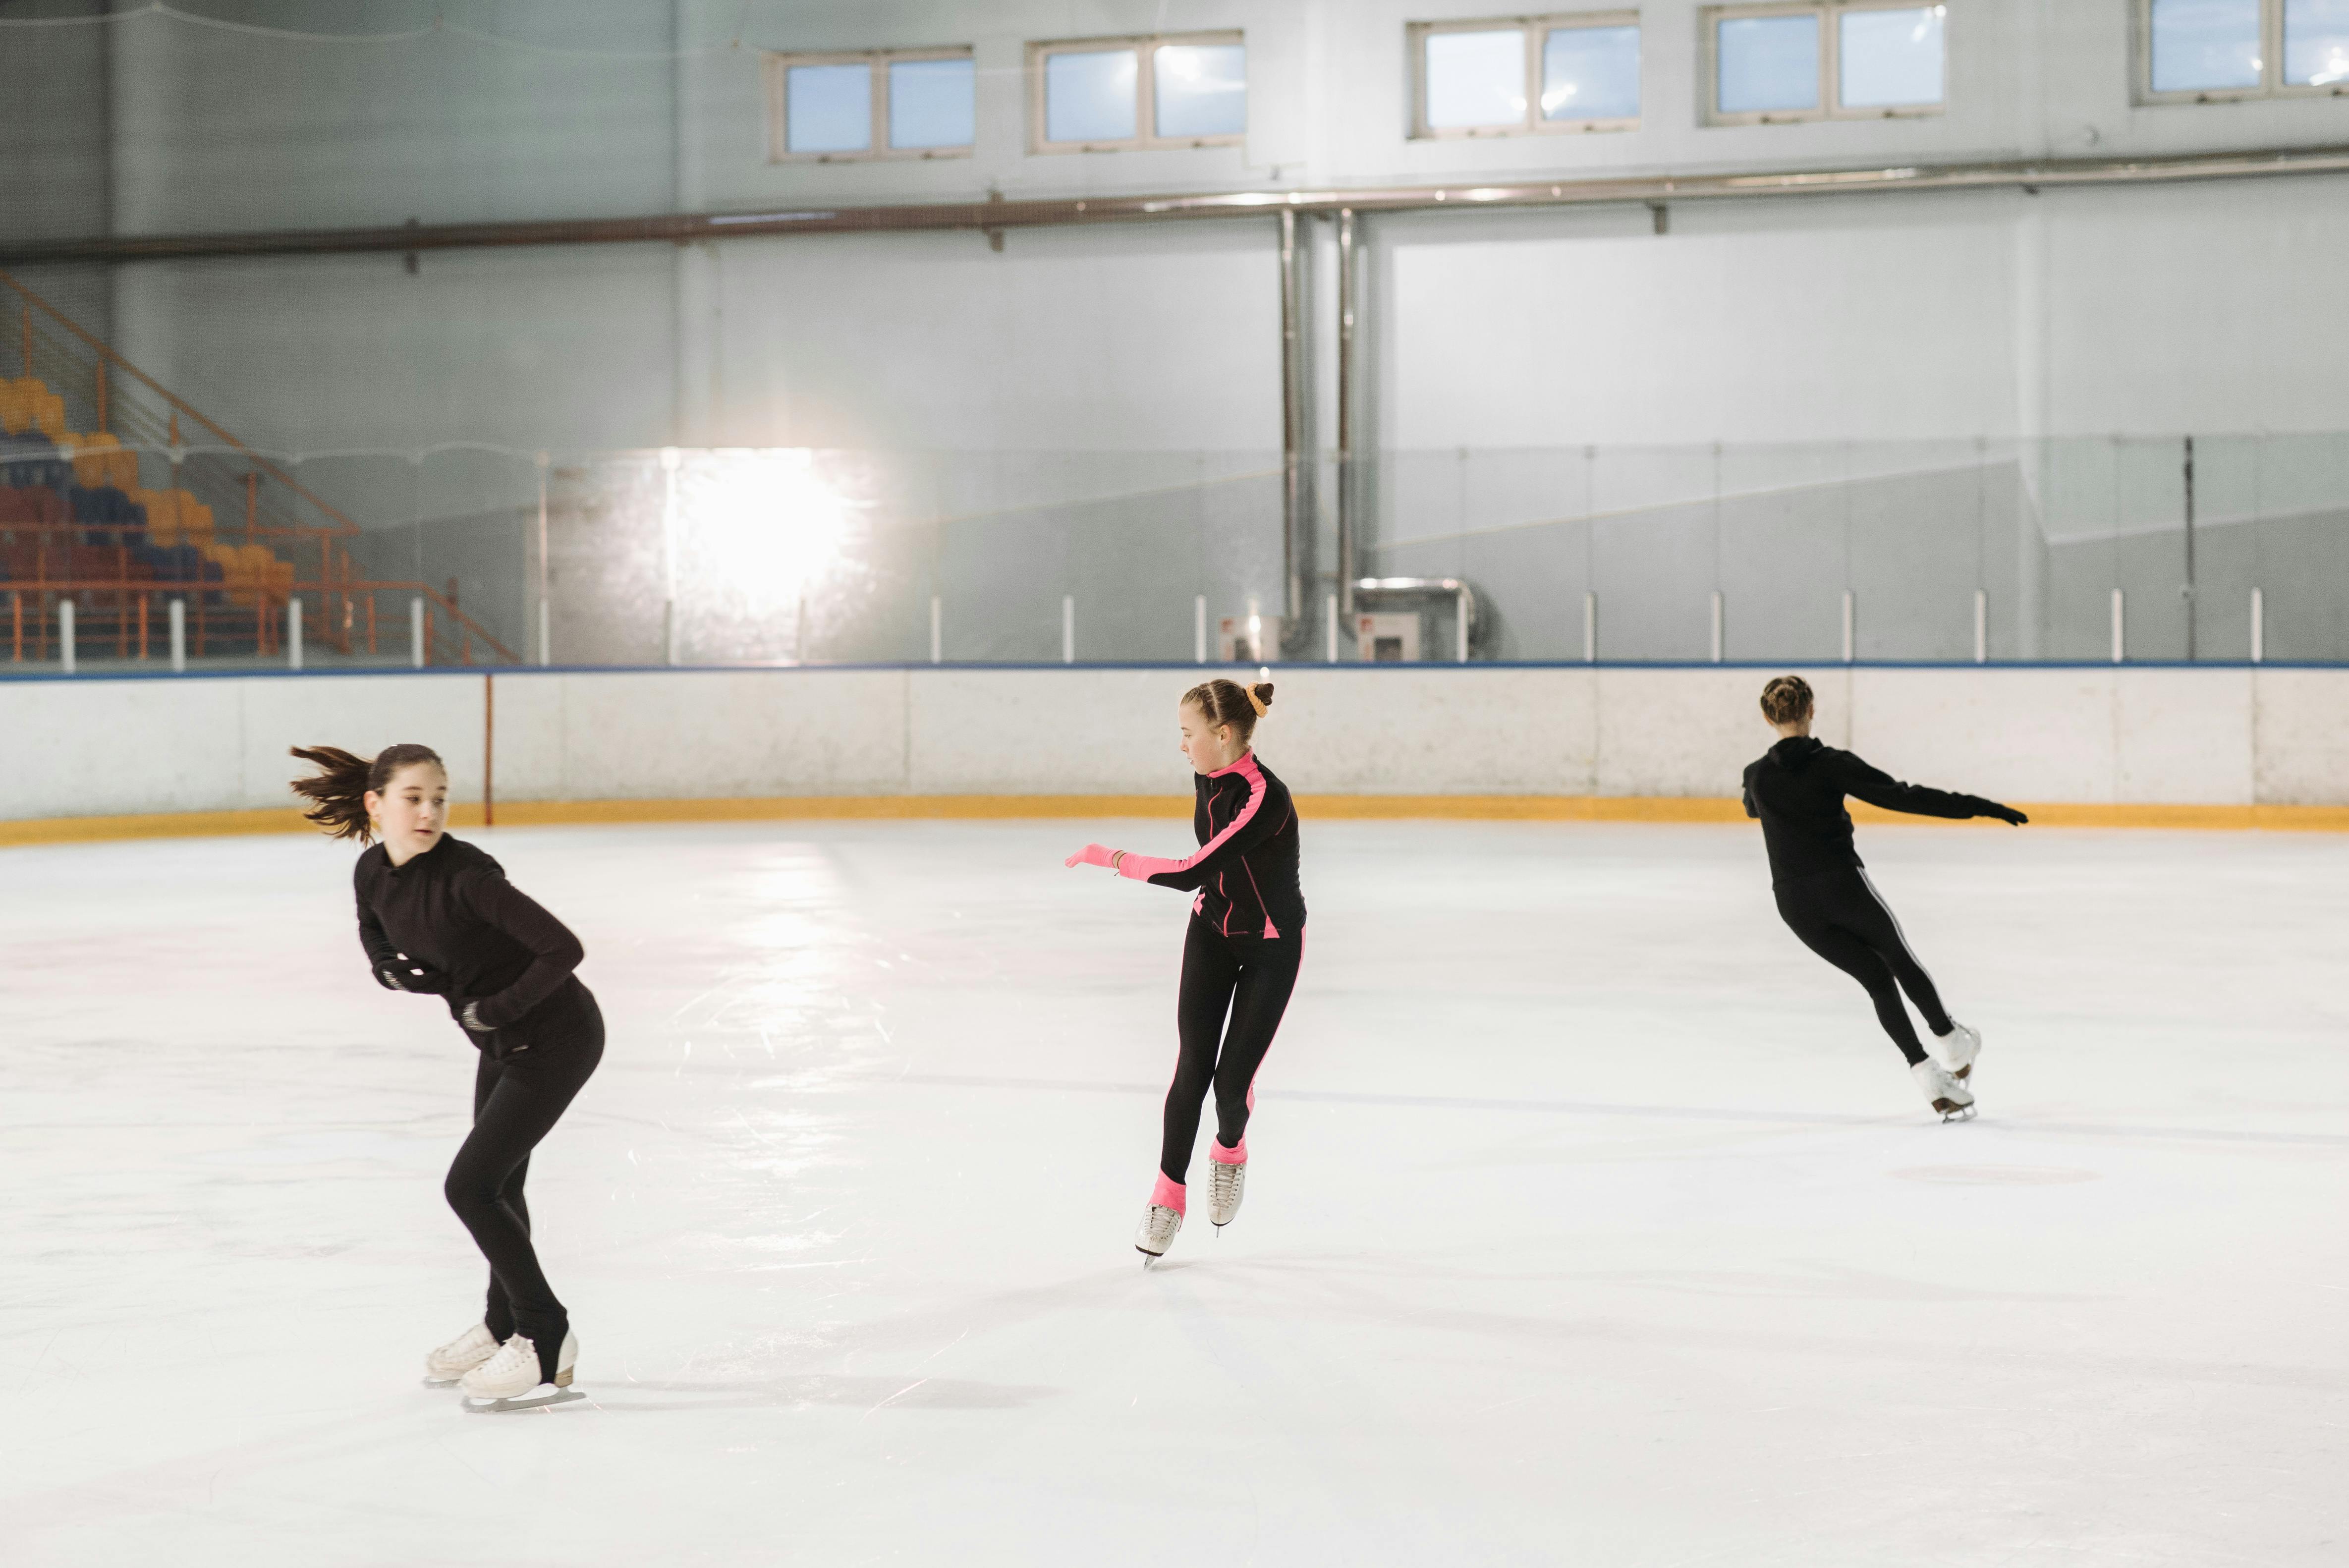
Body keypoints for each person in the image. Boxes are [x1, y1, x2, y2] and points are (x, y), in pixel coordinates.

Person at [291, 743, 601, 1409]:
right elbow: (372, 925)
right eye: (414, 797)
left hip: (556, 1039)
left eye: (439, 797)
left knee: (471, 1186)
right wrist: (387, 967)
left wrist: (493, 1009)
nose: (429, 810)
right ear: (376, 805)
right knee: (501, 1185)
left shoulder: (468, 878)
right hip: (503, 1047)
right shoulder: (374, 871)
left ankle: (546, 1334)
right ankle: (501, 1328)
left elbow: (563, 949)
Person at [1064, 678, 1305, 1260]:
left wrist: (1111, 857)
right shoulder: (1207, 773)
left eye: (1188, 733)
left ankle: (1229, 1150)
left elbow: (1191, 869)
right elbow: (1208, 884)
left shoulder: (1265, 799)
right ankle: (1168, 1195)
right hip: (1212, 931)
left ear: (1223, 735)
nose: (1182, 746)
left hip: (1271, 946)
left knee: (1228, 1086)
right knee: (1192, 1066)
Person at [1740, 676, 2027, 1121]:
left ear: (1766, 718)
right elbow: (1902, 797)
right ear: (1812, 710)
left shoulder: (1756, 775)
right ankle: (1952, 1041)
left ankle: (1930, 1076)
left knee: (1875, 981)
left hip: (1795, 906)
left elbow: (1753, 808)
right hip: (1842, 888)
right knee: (1897, 958)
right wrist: (1979, 806)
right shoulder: (1830, 763)